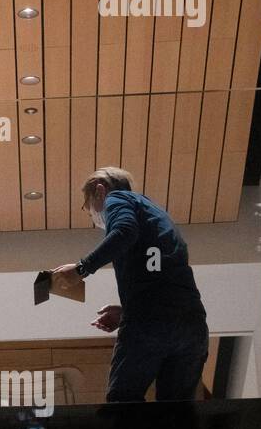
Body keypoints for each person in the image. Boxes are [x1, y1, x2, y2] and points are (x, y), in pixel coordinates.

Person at [51, 166, 209, 403]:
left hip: (150, 323)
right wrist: (127, 312)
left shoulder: (117, 199)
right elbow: (160, 277)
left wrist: (82, 269)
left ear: (100, 191)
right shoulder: (156, 214)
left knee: (123, 403)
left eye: (88, 207)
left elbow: (124, 232)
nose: (93, 216)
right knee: (176, 411)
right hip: (192, 325)